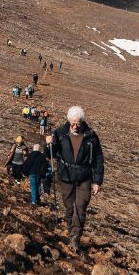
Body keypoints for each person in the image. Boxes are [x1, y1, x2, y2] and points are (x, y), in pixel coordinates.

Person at [51, 105, 104, 251]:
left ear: (82, 122)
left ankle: (75, 236)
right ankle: (71, 230)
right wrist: (49, 144)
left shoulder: (91, 136)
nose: (75, 127)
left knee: (80, 206)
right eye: (73, 124)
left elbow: (98, 159)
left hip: (84, 176)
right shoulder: (59, 134)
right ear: (68, 121)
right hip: (65, 176)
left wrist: (97, 181)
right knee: (69, 208)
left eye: (78, 124)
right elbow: (50, 153)